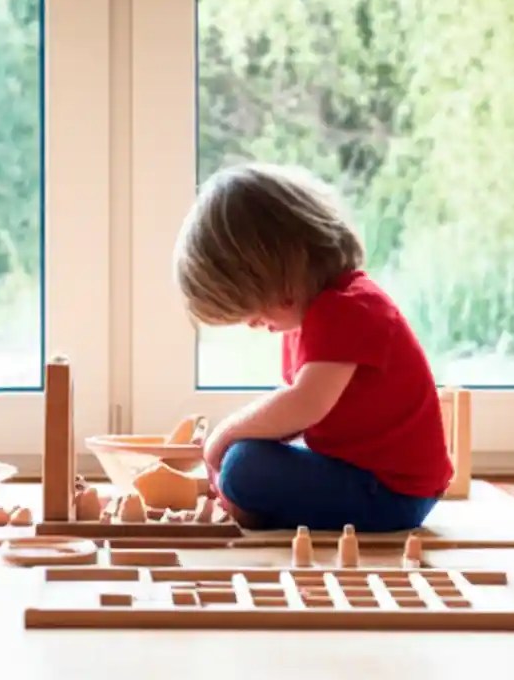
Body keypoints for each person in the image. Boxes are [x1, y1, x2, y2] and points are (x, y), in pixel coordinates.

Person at [172, 162, 452, 532]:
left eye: (251, 308)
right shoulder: (314, 314)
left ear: (282, 269)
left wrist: (225, 435)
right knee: (249, 462)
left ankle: (257, 509)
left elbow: (305, 405)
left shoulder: (346, 308)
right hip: (365, 473)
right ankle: (256, 503)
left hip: (393, 493)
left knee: (244, 466)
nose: (253, 323)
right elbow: (299, 415)